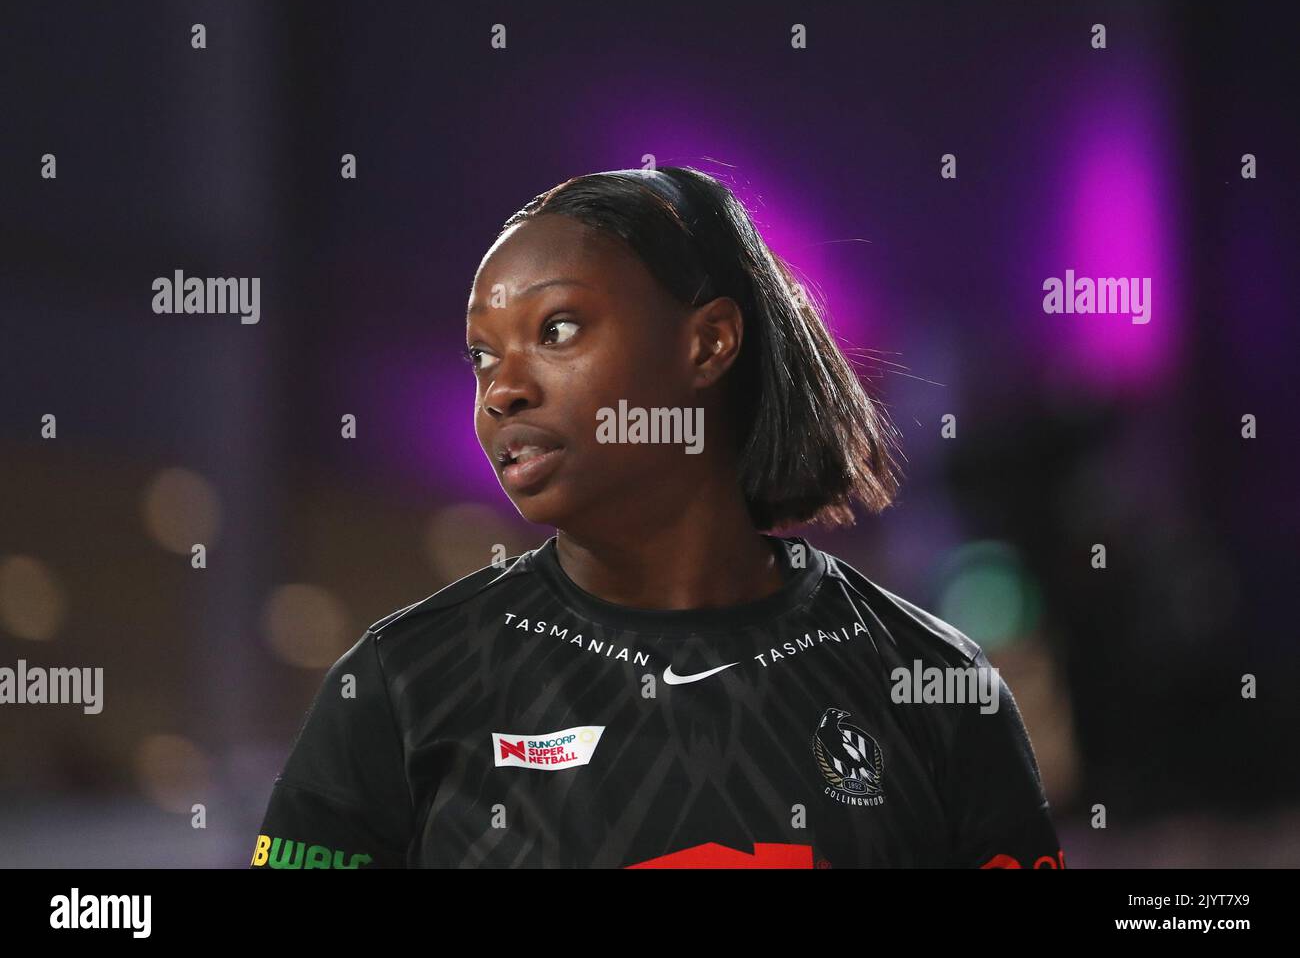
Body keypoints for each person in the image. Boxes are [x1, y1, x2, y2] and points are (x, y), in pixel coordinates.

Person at [250, 165, 1064, 868]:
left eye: (556, 329)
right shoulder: (399, 687)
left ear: (708, 343)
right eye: (482, 355)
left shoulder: (932, 682)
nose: (502, 390)